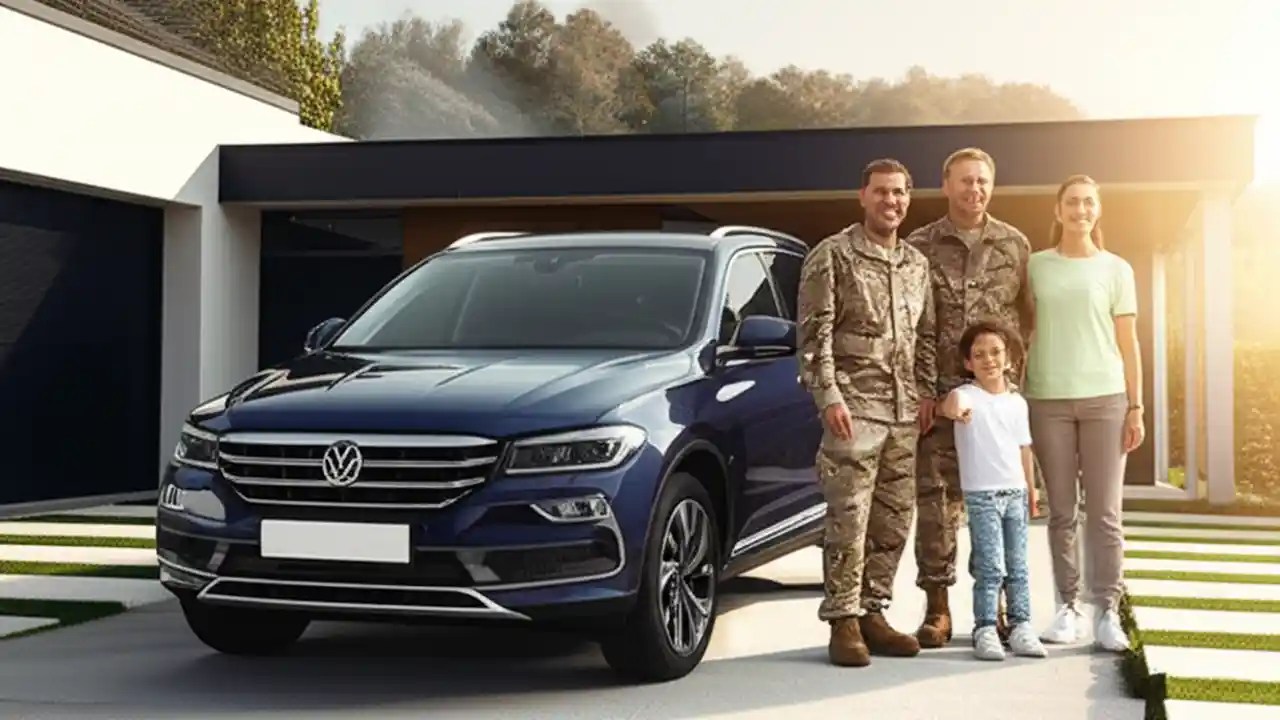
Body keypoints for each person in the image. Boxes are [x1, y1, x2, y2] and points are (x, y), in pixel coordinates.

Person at [797, 157, 936, 667]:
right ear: (862, 196)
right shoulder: (832, 255)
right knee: (848, 519)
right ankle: (843, 621)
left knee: (894, 521)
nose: (891, 201)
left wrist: (924, 393)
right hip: (855, 410)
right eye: (881, 191)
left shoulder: (915, 263)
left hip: (903, 413)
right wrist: (829, 396)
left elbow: (923, 337)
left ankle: (874, 612)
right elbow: (813, 336)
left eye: (899, 193)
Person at [905, 147, 1034, 648]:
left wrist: (1009, 388)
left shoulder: (1015, 245)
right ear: (946, 184)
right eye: (964, 181)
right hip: (941, 402)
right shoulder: (919, 245)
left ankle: (997, 605)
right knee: (937, 507)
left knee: (997, 503)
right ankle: (937, 607)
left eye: (982, 181)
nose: (973, 189)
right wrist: (922, 392)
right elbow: (910, 324)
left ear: (992, 185)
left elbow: (1026, 322)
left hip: (994, 406)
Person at [1024, 174, 1143, 653]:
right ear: (1058, 211)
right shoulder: (1034, 267)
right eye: (1071, 202)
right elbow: (1018, 330)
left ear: (1098, 211)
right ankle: (1067, 608)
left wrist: (1135, 406)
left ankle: (1107, 612)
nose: (1080, 210)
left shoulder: (1117, 269)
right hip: (1047, 399)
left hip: (1106, 400)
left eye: (1088, 202)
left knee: (1105, 513)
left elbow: (1128, 342)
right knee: (1060, 512)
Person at [937, 321, 1047, 661]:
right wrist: (952, 408)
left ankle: (1021, 626)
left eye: (996, 352)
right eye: (979, 355)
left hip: (1015, 494)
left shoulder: (1017, 403)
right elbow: (948, 407)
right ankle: (985, 627)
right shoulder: (965, 396)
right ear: (968, 363)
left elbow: (1024, 449)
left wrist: (1032, 490)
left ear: (1009, 358)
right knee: (990, 566)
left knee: (1018, 565)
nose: (989, 360)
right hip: (982, 496)